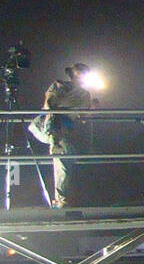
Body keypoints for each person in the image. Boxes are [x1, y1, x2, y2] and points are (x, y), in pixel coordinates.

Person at [28, 62, 96, 206]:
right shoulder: (59, 85)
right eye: (80, 72)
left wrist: (94, 107)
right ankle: (61, 200)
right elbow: (49, 105)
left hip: (65, 129)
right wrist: (54, 133)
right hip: (49, 124)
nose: (83, 75)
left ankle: (64, 197)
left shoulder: (85, 94)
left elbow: (84, 118)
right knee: (63, 154)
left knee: (69, 156)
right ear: (74, 73)